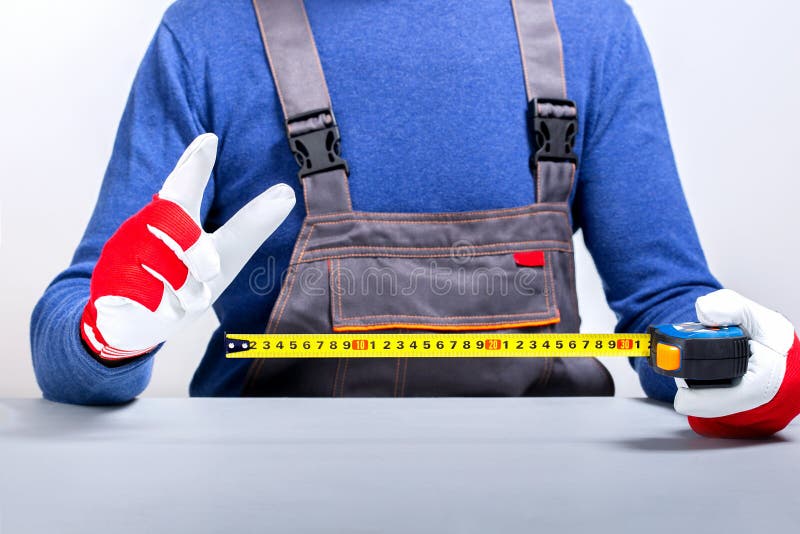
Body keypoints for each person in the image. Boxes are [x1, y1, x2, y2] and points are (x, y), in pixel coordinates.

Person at [30, 0, 798, 438]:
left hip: (553, 501)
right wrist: (109, 337)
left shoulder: (588, 27)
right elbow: (68, 334)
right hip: (266, 503)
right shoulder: (208, 34)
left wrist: (732, 368)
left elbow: (666, 308)